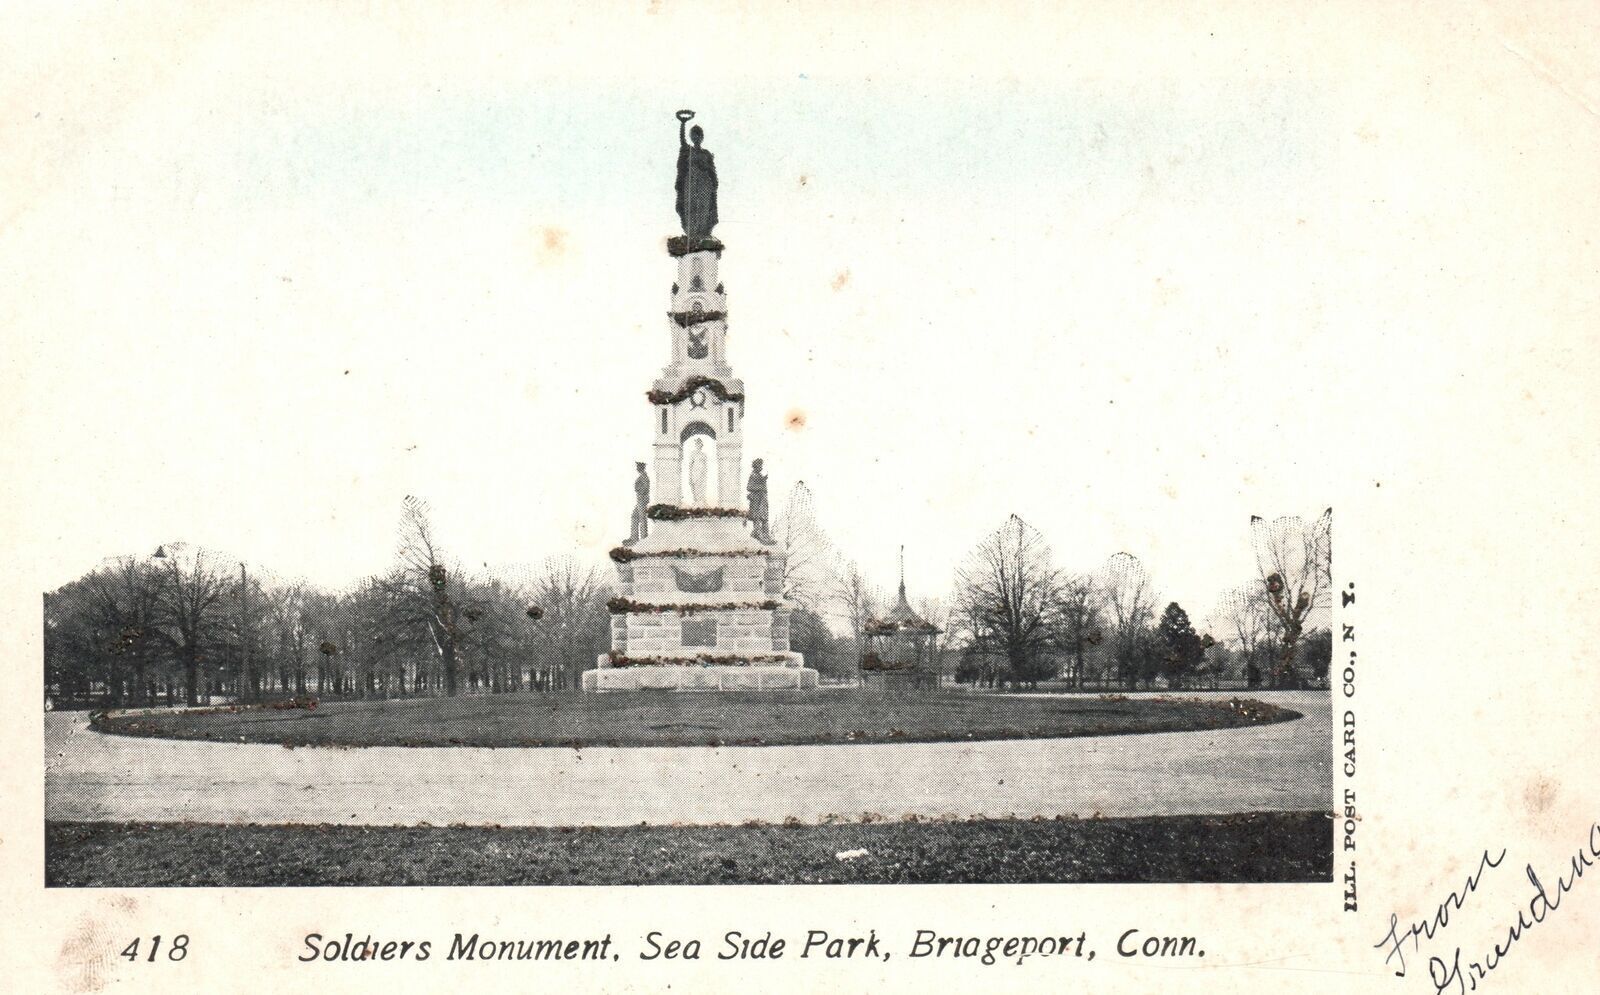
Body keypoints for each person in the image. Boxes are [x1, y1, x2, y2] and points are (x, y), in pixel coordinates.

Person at [675, 113, 718, 241]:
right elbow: (682, 140)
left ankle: (703, 234)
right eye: (694, 135)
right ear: (691, 137)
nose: (696, 137)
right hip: (691, 183)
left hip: (705, 184)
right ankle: (692, 234)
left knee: (704, 208)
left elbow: (712, 170)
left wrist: (714, 183)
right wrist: (683, 123)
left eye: (699, 135)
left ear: (702, 137)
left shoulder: (707, 154)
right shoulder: (688, 150)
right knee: (690, 207)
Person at [747, 458, 772, 543]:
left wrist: (763, 480)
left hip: (762, 499)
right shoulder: (753, 475)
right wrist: (760, 486)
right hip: (756, 500)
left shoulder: (760, 475)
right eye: (759, 465)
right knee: (757, 517)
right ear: (755, 466)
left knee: (764, 517)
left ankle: (766, 535)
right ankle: (758, 534)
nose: (761, 467)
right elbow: (749, 487)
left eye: (761, 465)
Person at [627, 462, 650, 545]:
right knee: (635, 516)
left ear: (641, 468)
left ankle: (644, 539)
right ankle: (634, 538)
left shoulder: (644, 476)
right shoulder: (642, 476)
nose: (637, 468)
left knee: (642, 519)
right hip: (640, 500)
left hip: (642, 500)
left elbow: (645, 488)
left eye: (638, 466)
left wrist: (638, 489)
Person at [687, 438, 709, 506]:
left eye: (700, 444)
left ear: (701, 445)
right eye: (697, 443)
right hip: (695, 472)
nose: (698, 445)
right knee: (695, 486)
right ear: (696, 445)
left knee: (701, 487)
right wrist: (690, 475)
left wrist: (705, 472)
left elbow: (705, 465)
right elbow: (690, 464)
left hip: (702, 473)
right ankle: (696, 500)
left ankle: (701, 501)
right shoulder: (693, 453)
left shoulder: (704, 454)